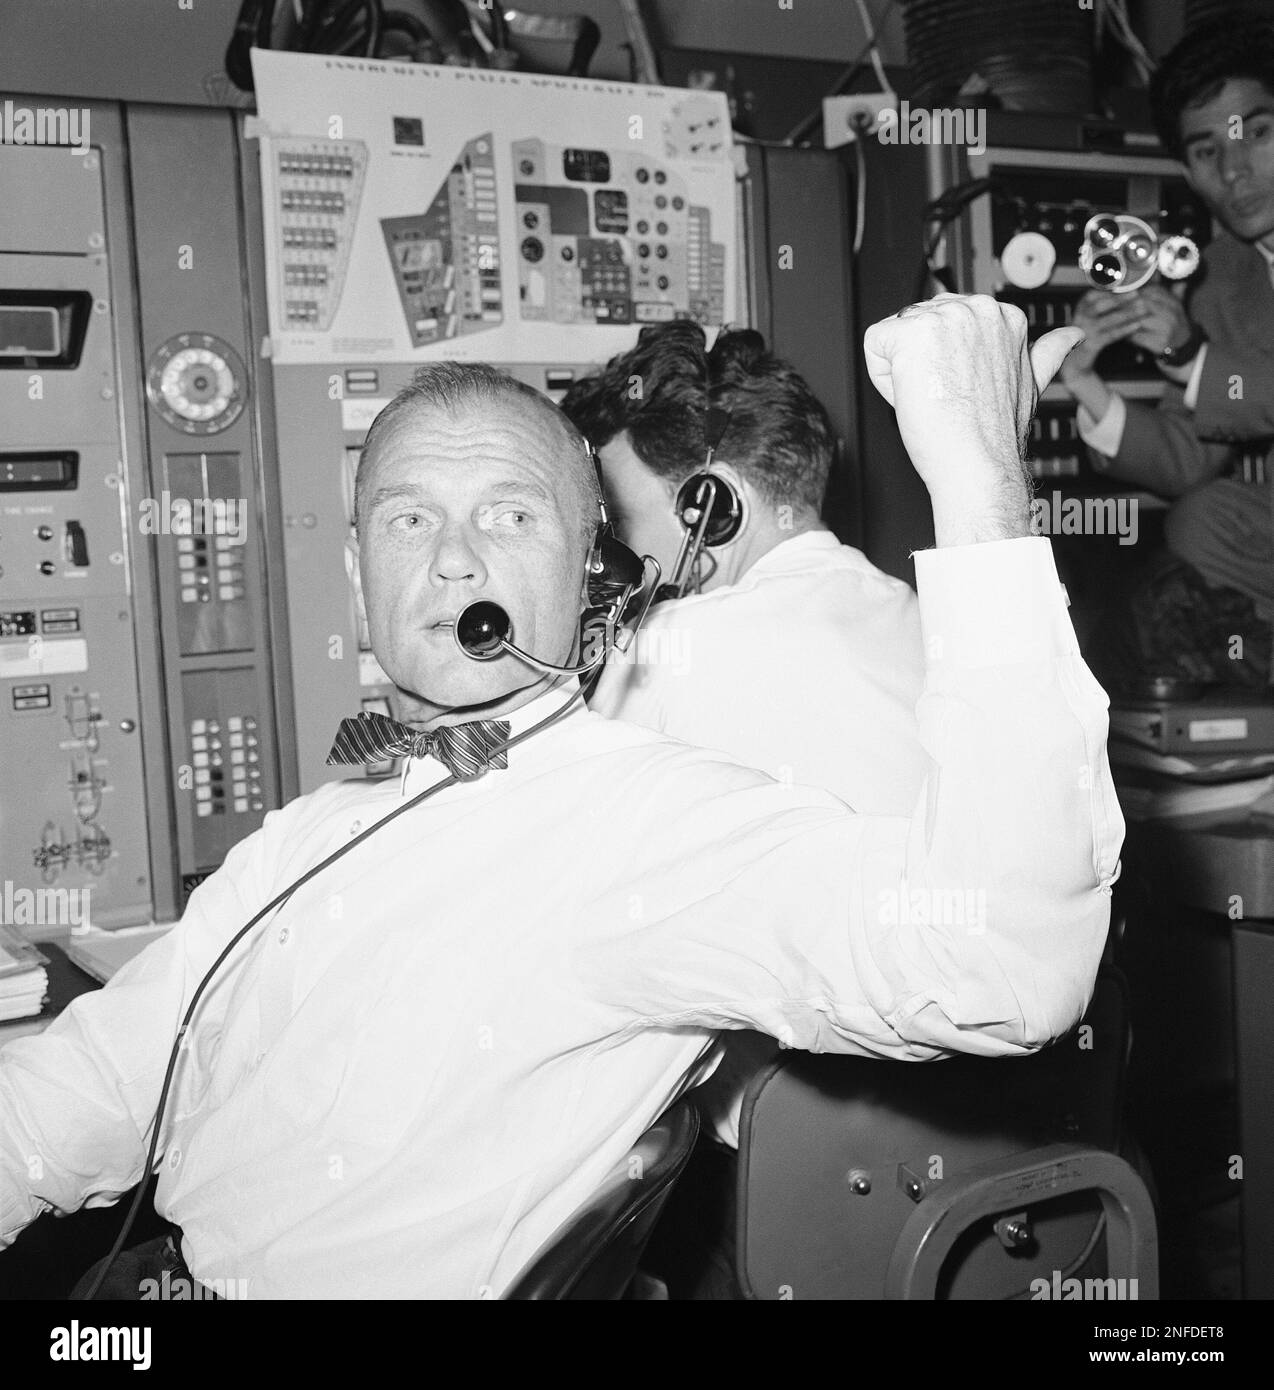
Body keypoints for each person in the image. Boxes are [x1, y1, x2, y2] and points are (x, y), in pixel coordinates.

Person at [0, 296, 1121, 1300]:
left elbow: (1007, 959)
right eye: (408, 519)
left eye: (510, 516)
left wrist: (978, 482)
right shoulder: (312, 831)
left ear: (592, 572)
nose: (452, 560)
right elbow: (85, 1086)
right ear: (357, 577)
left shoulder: (635, 827)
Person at [561, 323, 928, 1293]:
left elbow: (565, 900)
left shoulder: (677, 646)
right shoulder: (936, 621)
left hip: (803, 1193)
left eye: (628, 521)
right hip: (1009, 1155)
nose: (625, 554)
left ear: (710, 507)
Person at [1061, 13, 1274, 680]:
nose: (1235, 173)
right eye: (1207, 151)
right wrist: (1084, 380)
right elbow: (1191, 458)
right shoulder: (1220, 277)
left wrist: (1190, 356)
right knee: (1198, 526)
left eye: (1257, 134)